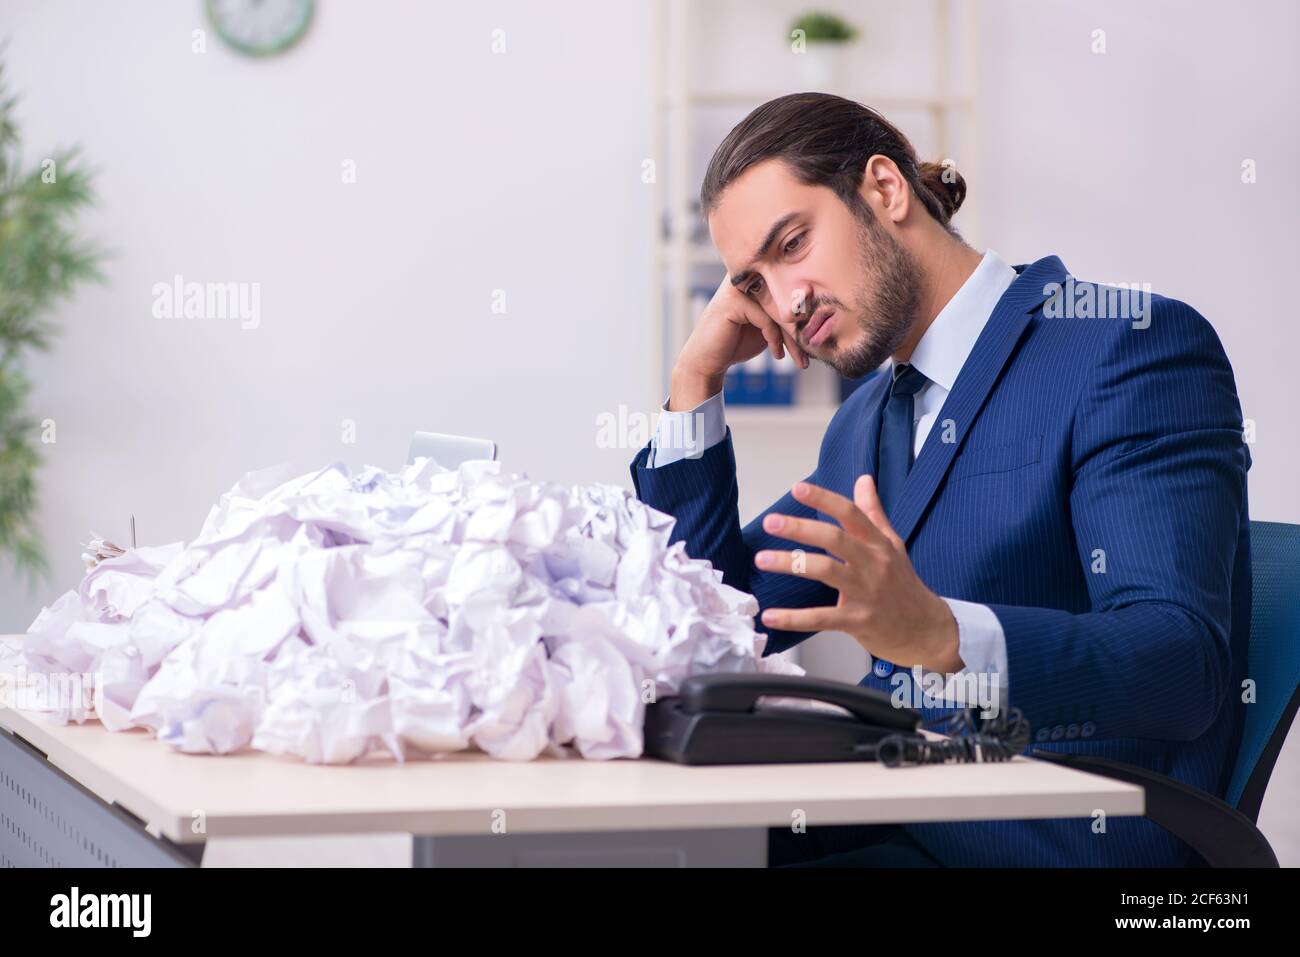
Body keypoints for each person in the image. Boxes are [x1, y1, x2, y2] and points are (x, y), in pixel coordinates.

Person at [630, 92, 1251, 867]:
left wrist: (943, 635)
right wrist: (695, 380)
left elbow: (1181, 663)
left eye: (792, 244)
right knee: (636, 849)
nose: (785, 304)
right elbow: (720, 618)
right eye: (752, 284)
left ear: (886, 189)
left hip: (1062, 837)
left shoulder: (1124, 348)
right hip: (905, 805)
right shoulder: (863, 422)